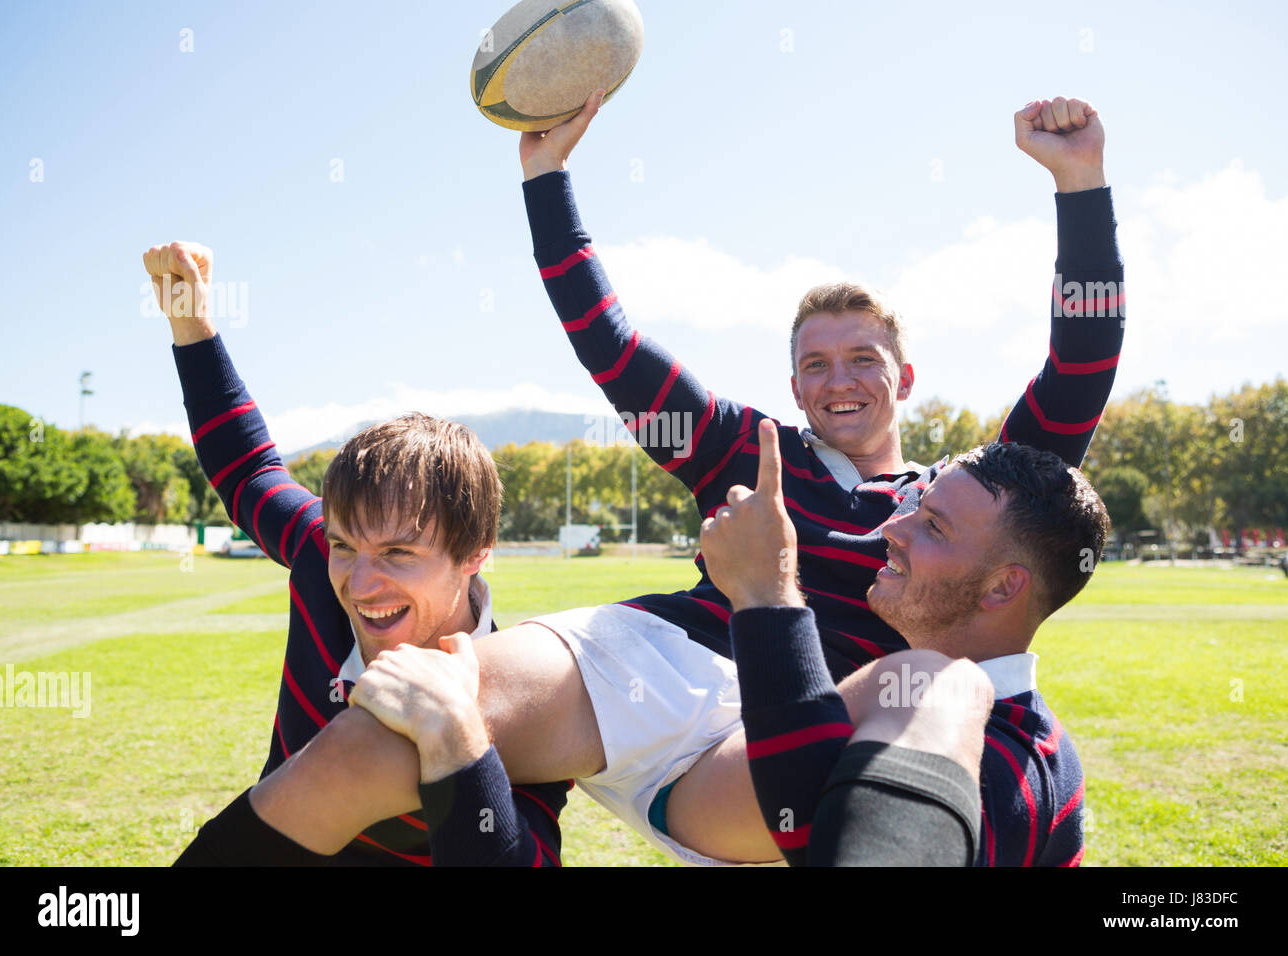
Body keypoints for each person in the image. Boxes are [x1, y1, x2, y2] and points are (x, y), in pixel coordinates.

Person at [174, 93, 1122, 867]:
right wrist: (547, 182)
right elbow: (611, 346)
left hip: (785, 737)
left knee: (918, 696)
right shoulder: (746, 450)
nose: (840, 380)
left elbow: (1079, 366)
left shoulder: (973, 501)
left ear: (903, 377)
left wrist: (1081, 189)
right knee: (391, 728)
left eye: (863, 358)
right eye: (817, 363)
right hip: (656, 664)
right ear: (793, 384)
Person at [144, 244, 568, 866]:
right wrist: (191, 322)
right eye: (345, 544)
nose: (360, 582)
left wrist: (459, 743)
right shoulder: (321, 555)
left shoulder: (524, 688)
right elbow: (247, 470)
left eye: (399, 552)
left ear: (476, 554)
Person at [700, 419, 1104, 865]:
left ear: (1003, 588)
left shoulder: (1015, 767)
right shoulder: (914, 698)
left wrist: (767, 596)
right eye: (916, 506)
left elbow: (835, 849)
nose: (892, 528)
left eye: (934, 527)